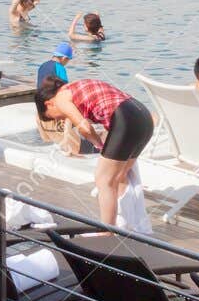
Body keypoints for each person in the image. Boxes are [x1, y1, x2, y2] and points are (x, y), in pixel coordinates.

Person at [35, 75, 155, 225]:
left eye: (54, 118)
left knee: (104, 180)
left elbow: (84, 127)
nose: (59, 120)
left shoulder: (60, 99)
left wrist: (98, 144)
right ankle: (129, 224)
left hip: (126, 117)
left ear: (49, 104)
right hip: (143, 116)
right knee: (120, 176)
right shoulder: (75, 86)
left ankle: (107, 231)